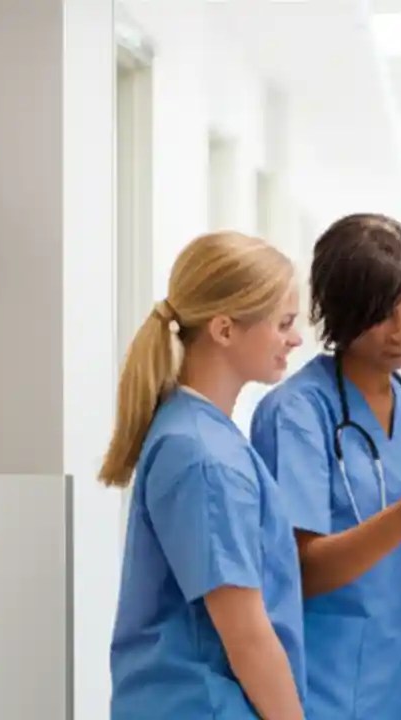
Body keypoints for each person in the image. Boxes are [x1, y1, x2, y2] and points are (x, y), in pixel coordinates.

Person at [249, 213, 401, 720]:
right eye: (382, 315)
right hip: (316, 689)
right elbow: (298, 570)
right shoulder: (297, 413)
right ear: (341, 313)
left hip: (398, 693)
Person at [102, 232, 307, 720]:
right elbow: (247, 637)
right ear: (224, 330)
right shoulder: (203, 456)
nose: (296, 339)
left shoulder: (196, 433)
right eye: (283, 323)